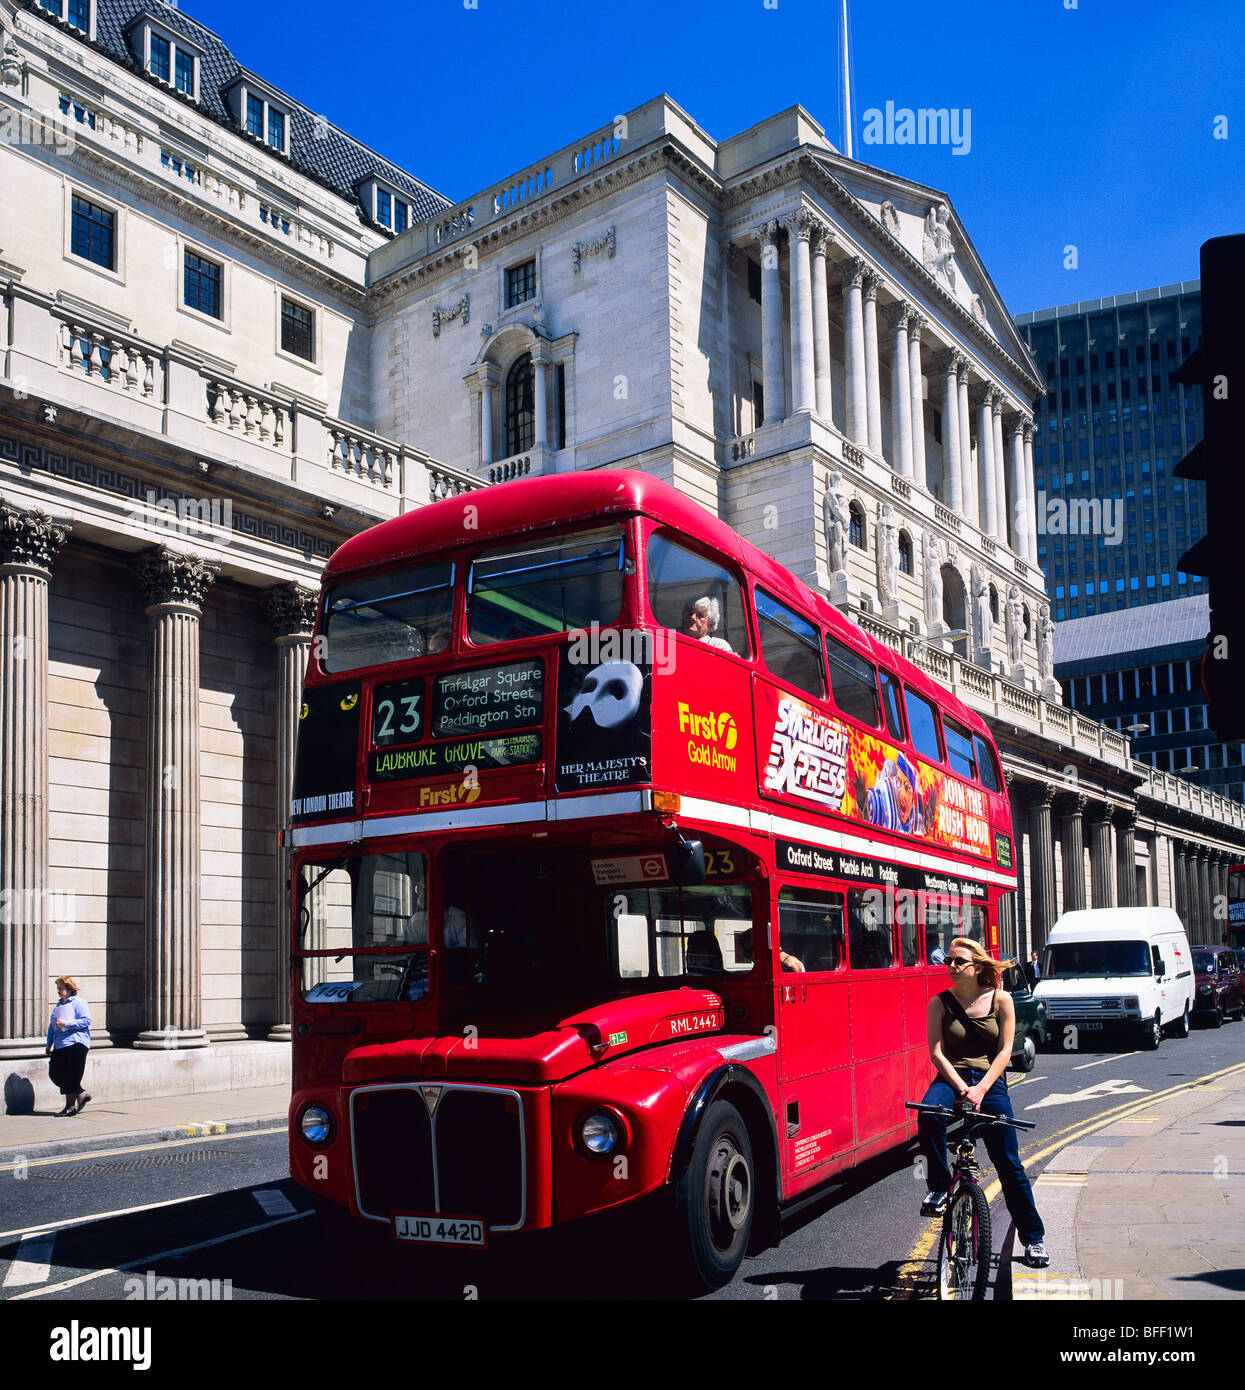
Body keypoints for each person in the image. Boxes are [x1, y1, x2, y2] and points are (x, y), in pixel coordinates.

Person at [916, 937, 1048, 1268]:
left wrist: (981, 1090)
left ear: (977, 966)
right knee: (930, 1114)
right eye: (948, 961)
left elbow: (1005, 1052)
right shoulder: (939, 1003)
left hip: (990, 1083)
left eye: (959, 961)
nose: (952, 966)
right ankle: (939, 1188)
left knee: (1009, 1164)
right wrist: (963, 1088)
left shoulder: (1001, 1000)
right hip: (952, 1080)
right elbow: (936, 1052)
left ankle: (1033, 1239)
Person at [46, 976, 92, 1116]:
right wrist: (49, 1044)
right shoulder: (59, 1006)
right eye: (58, 989)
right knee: (55, 1073)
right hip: (60, 1044)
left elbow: (86, 1020)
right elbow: (52, 1027)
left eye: (61, 988)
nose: (58, 991)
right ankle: (80, 1093)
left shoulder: (79, 1003)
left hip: (76, 1042)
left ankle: (70, 1107)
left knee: (71, 1075)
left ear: (69, 989)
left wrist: (67, 1024)